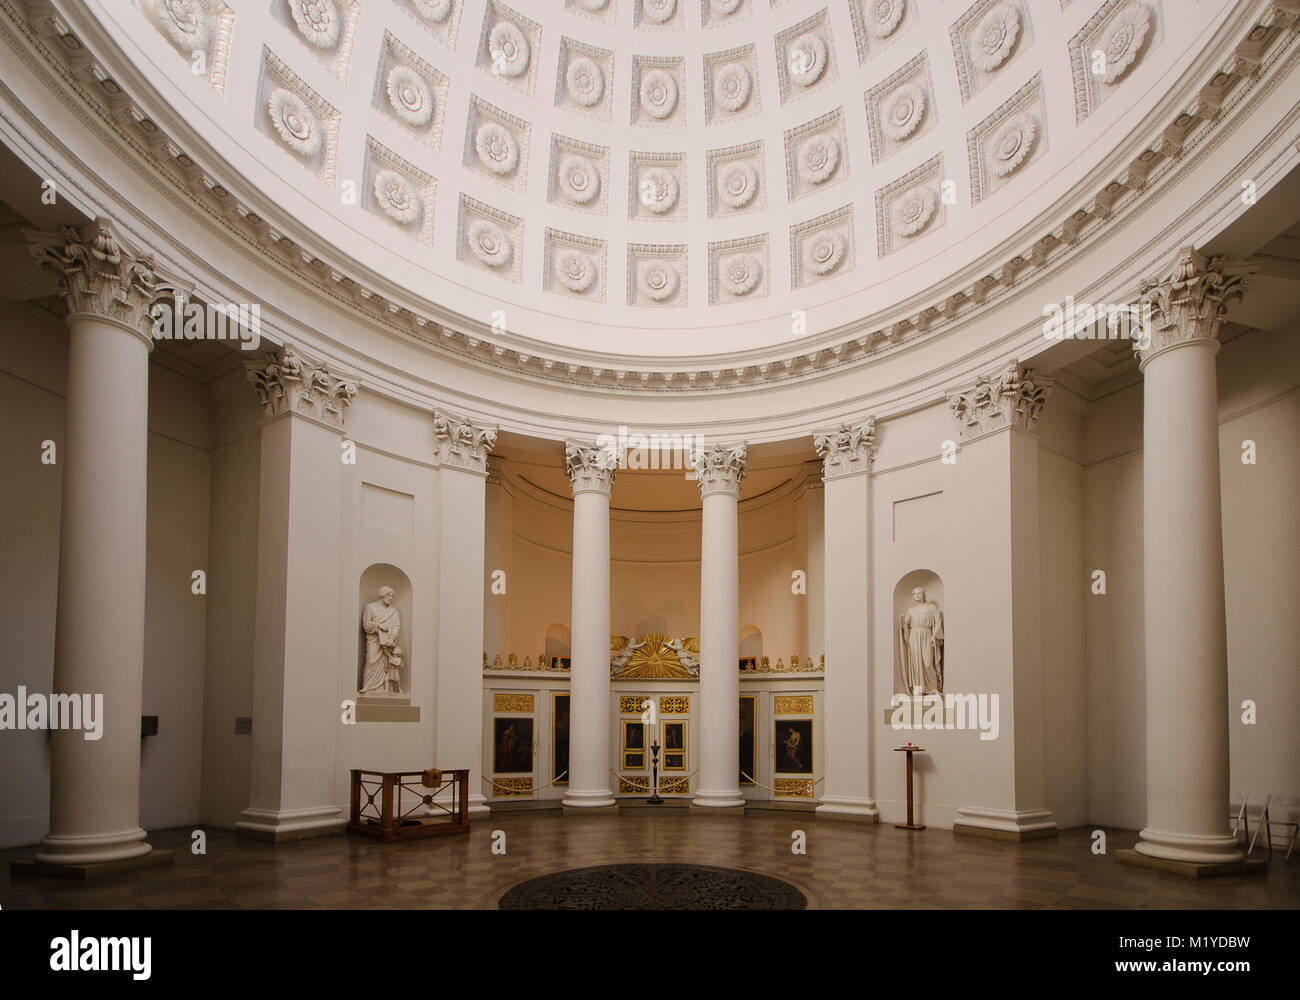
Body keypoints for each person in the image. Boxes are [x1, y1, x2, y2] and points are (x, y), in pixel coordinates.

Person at [898, 587, 944, 694]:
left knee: (928, 663)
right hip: (914, 636)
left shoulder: (931, 607)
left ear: (924, 595)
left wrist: (934, 636)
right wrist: (902, 620)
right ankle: (918, 690)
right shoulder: (911, 610)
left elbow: (938, 622)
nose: (917, 595)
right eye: (915, 594)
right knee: (916, 663)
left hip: (926, 634)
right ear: (913, 596)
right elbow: (905, 625)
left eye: (920, 593)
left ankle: (933, 688)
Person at [360, 586, 402, 694]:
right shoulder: (370, 607)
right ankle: (367, 687)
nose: (391, 598)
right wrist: (379, 626)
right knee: (370, 661)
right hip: (374, 640)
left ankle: (385, 689)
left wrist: (391, 638)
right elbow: (366, 625)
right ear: (383, 595)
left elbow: (397, 626)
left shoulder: (393, 611)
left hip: (387, 643)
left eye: (392, 596)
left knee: (387, 667)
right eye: (389, 595)